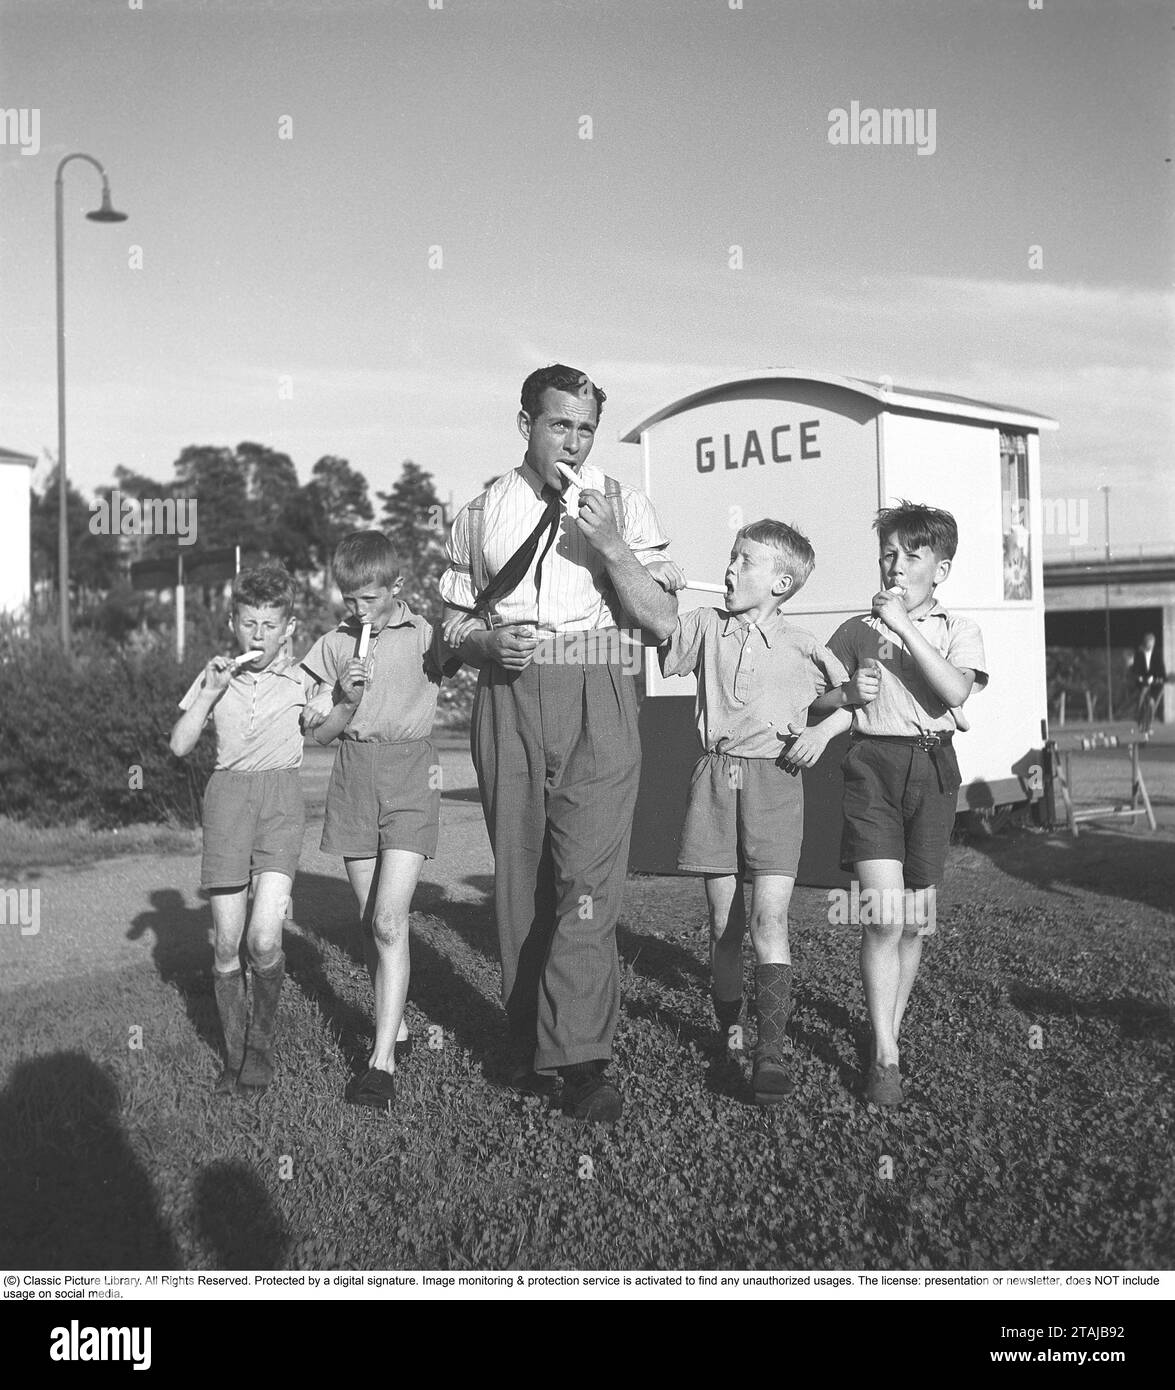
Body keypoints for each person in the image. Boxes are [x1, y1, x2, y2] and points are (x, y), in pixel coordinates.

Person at [439, 364, 681, 1123]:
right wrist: (481, 642)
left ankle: (580, 1058)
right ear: (525, 425)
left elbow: (661, 621)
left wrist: (612, 546)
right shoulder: (479, 511)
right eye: (557, 425)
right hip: (510, 693)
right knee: (520, 875)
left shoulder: (623, 504)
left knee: (587, 880)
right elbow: (447, 623)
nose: (572, 441)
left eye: (584, 427)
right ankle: (525, 1039)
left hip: (599, 681)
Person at [658, 520, 857, 1105]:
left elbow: (853, 701)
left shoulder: (803, 645)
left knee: (770, 922)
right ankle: (732, 1038)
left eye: (746, 561)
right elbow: (657, 632)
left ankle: (769, 1055)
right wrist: (661, 586)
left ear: (782, 581)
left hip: (775, 783)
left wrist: (823, 733)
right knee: (725, 926)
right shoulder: (704, 626)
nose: (729, 570)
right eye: (730, 558)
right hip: (718, 778)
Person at [813, 501, 987, 1107]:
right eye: (889, 553)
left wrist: (904, 627)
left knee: (916, 920)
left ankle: (890, 1024)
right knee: (884, 914)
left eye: (912, 556)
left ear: (939, 569)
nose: (896, 565)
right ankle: (884, 1054)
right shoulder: (855, 631)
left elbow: (955, 691)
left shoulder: (958, 630)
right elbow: (816, 702)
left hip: (933, 766)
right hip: (872, 766)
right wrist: (843, 690)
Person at [301, 531, 446, 1112]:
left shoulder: (426, 635)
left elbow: (469, 652)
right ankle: (398, 1022)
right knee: (369, 921)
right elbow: (318, 734)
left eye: (367, 599)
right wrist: (343, 702)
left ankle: (380, 1063)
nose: (355, 610)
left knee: (390, 919)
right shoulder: (334, 645)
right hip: (354, 773)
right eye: (348, 599)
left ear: (397, 588)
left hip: (413, 771)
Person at [170, 563, 309, 1095]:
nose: (259, 635)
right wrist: (209, 692)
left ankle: (261, 1045)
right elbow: (180, 745)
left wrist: (340, 700)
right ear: (232, 622)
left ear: (288, 627)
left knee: (264, 937)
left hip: (280, 801)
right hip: (228, 799)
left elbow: (334, 721)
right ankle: (233, 1058)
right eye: (249, 623)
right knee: (227, 942)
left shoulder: (302, 678)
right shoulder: (215, 675)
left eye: (270, 625)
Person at [1131, 632, 1166, 735]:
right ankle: (1139, 716)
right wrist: (1140, 677)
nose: (1151, 645)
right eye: (1149, 643)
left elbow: (1161, 668)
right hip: (1143, 682)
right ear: (1145, 643)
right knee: (1142, 695)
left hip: (1155, 683)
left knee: (1151, 703)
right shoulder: (1139, 653)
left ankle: (1149, 724)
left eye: (1152, 643)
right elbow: (1136, 668)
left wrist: (1159, 678)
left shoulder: (1157, 654)